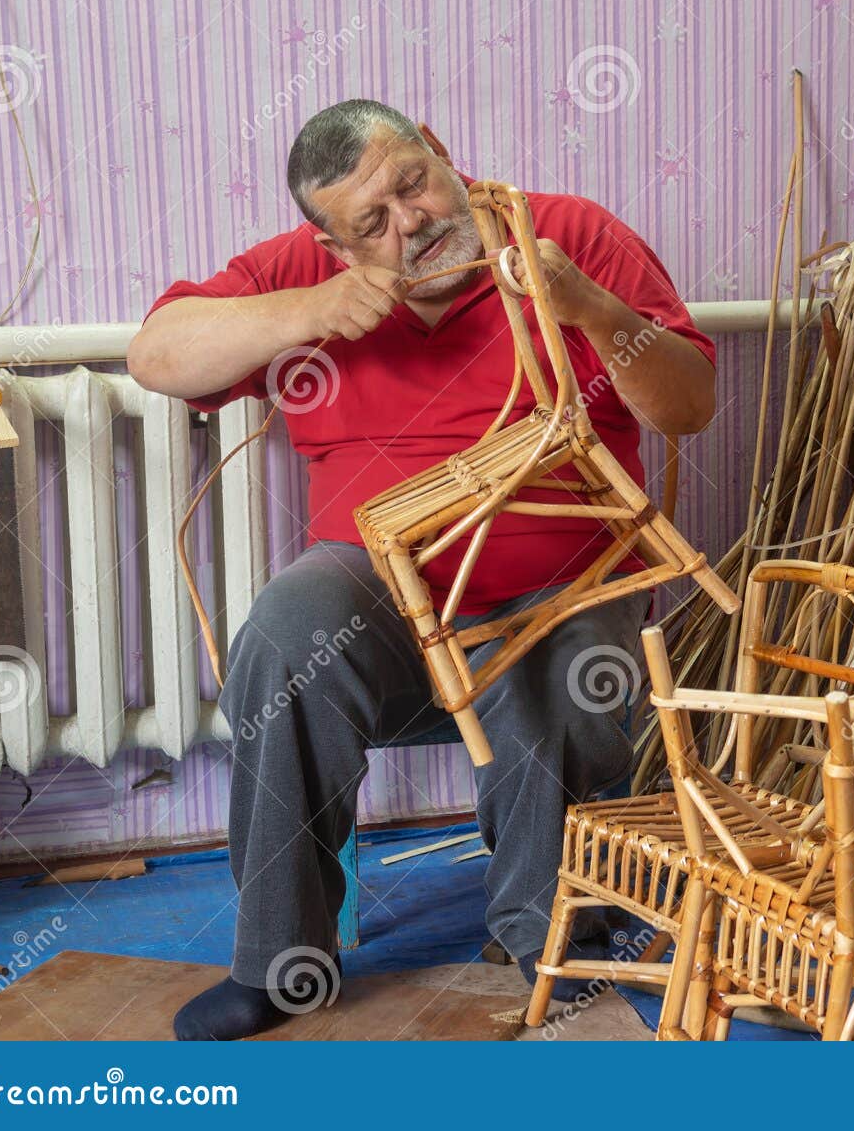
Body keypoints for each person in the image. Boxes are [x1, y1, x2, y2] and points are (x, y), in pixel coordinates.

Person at [128, 98, 716, 1040]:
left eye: (414, 182)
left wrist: (591, 309)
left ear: (442, 152)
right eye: (373, 223)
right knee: (286, 632)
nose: (412, 221)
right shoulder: (298, 275)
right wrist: (311, 311)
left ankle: (549, 939)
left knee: (559, 661)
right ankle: (281, 962)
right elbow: (156, 356)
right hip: (381, 584)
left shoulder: (564, 235)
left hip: (560, 570)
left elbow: (689, 406)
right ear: (332, 244)